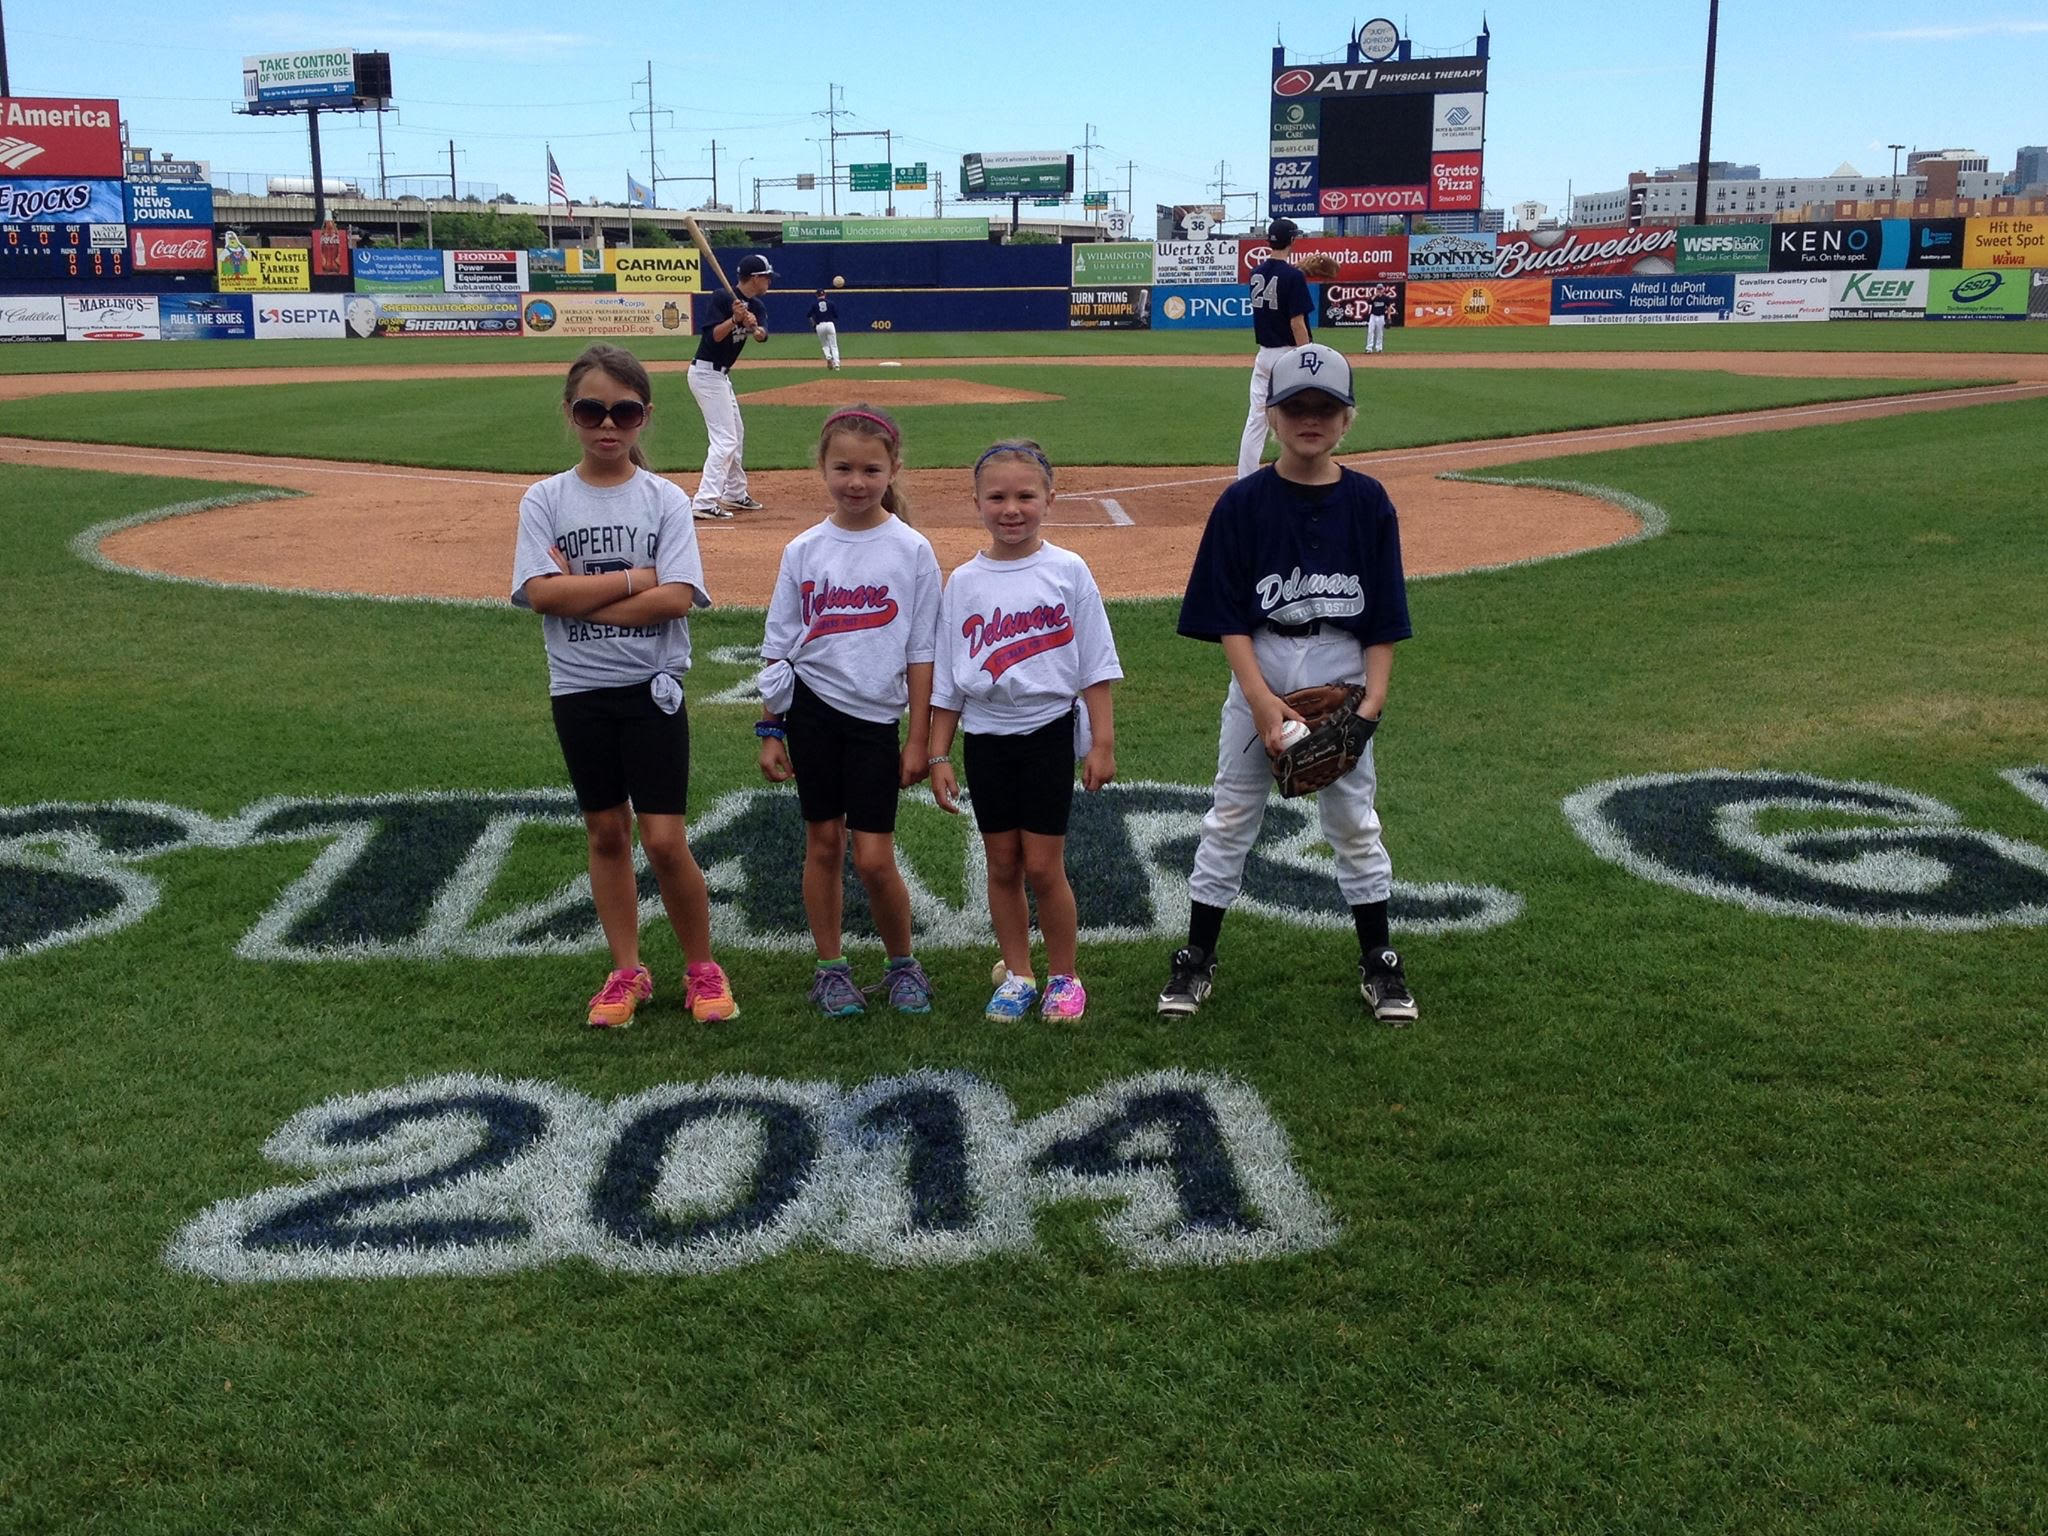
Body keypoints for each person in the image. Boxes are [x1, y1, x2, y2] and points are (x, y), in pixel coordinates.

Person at [1163, 343, 1417, 1026]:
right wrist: (1260, 700)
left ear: (1347, 419)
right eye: (1296, 407)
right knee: (1232, 815)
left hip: (1341, 663)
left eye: (1325, 408)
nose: (1311, 419)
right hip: (1264, 663)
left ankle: (1379, 960)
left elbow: (1386, 613)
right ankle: (1196, 956)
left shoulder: (1368, 502)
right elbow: (1227, 617)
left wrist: (1371, 706)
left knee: (1355, 823)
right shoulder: (1244, 503)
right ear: (1271, 417)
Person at [510, 344, 740, 1029]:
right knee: (606, 831)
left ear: (644, 417)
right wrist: (636, 578)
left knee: (666, 840)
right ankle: (626, 969)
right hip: (579, 690)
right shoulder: (545, 498)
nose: (607, 424)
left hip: (650, 688)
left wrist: (578, 592)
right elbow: (540, 596)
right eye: (591, 410)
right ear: (570, 414)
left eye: (624, 411)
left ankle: (702, 966)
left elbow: (677, 601)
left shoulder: (664, 500)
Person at [756, 405, 942, 1017]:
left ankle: (902, 963)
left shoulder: (912, 549)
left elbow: (922, 653)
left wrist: (919, 740)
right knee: (823, 844)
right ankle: (831, 967)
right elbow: (780, 644)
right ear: (822, 467)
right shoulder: (804, 548)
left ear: (893, 469)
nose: (855, 482)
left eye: (870, 469)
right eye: (842, 468)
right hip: (811, 711)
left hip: (873, 722)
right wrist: (770, 727)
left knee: (873, 854)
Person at [927, 441, 1121, 1023]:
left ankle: (1064, 975)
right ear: (977, 502)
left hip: (1046, 732)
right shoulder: (962, 581)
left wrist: (1102, 741)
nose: (1012, 509)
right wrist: (938, 753)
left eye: (1025, 496)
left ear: (1049, 499)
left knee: (1042, 866)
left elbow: (1096, 662)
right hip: (986, 738)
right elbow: (947, 680)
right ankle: (1017, 973)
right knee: (1003, 863)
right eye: (997, 497)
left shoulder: (1067, 570)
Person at [688, 252, 774, 520]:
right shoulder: (722, 298)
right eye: (767, 277)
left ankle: (735, 493)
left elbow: (762, 336)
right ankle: (704, 501)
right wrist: (734, 319)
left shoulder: (756, 306)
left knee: (736, 433)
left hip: (722, 377)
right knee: (725, 440)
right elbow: (713, 337)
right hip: (705, 373)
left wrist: (754, 327)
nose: (770, 281)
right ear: (755, 278)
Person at [1236, 216, 1314, 479]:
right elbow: (1297, 323)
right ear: (1292, 240)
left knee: (1256, 421)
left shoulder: (1256, 273)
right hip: (1289, 357)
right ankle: (1301, 473)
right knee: (1300, 417)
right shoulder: (1294, 277)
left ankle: (1244, 479)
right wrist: (1309, 356)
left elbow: (1276, 276)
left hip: (1264, 356)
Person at [808, 285, 841, 370]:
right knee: (834, 346)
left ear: (817, 295)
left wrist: (813, 324)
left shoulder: (814, 305)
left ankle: (828, 356)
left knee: (825, 345)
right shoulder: (831, 303)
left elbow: (808, 315)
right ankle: (837, 365)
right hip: (830, 324)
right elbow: (836, 315)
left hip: (820, 326)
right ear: (825, 294)